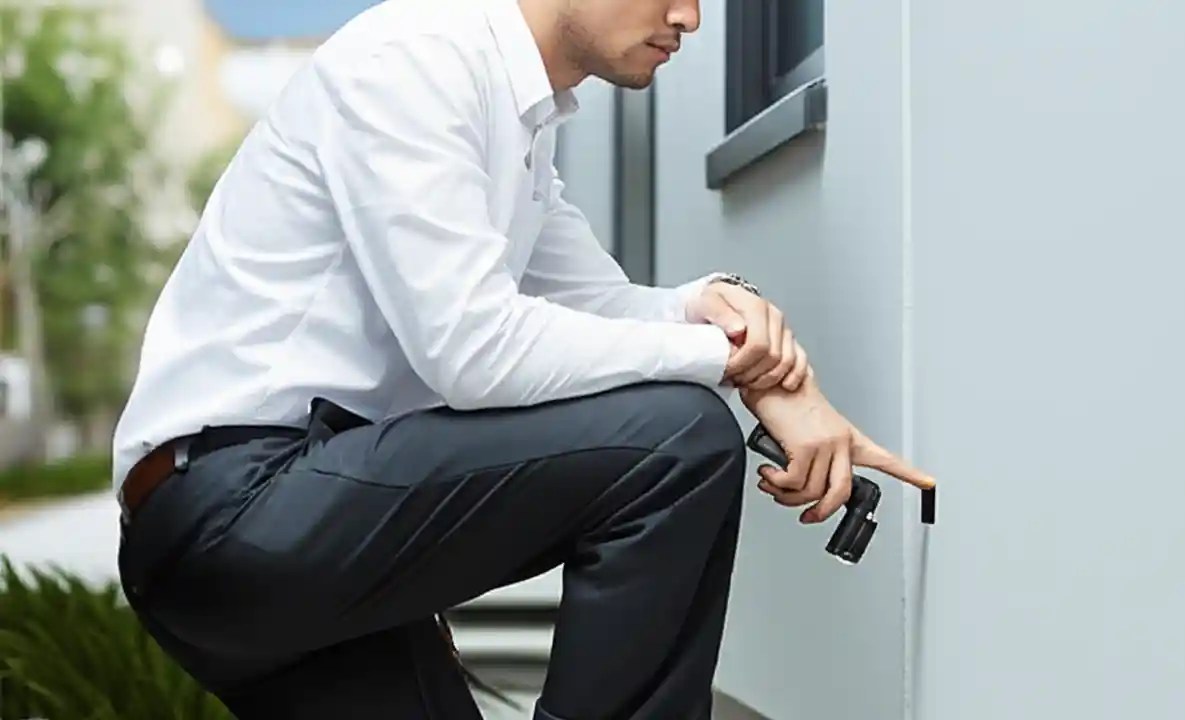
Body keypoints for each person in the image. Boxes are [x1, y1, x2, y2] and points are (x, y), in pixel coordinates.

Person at [112, 0, 936, 717]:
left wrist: (745, 338)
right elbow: (475, 352)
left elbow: (608, 309)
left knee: (674, 421)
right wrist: (722, 366)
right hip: (242, 506)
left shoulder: (520, 125)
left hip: (303, 523)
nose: (689, 17)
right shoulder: (415, 60)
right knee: (679, 440)